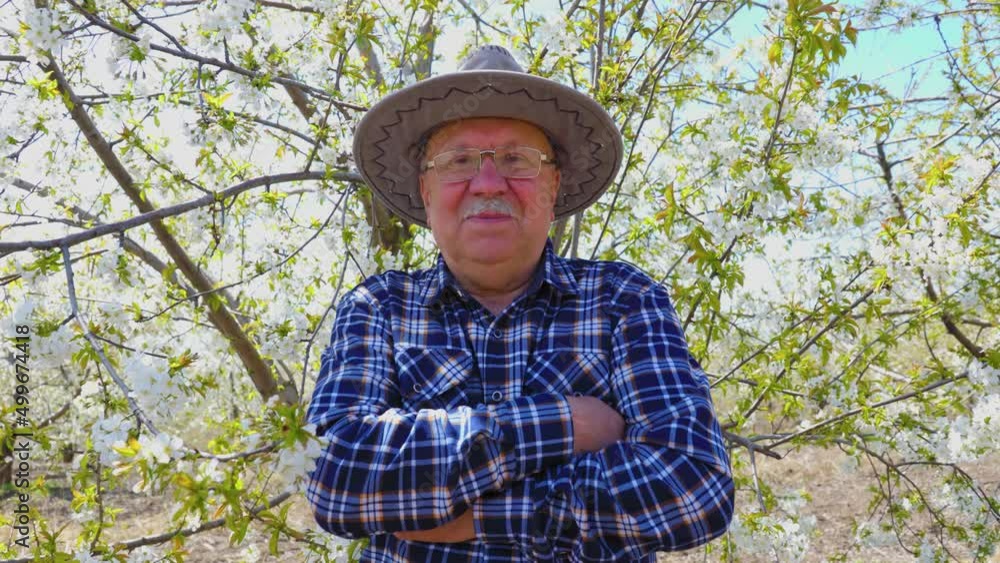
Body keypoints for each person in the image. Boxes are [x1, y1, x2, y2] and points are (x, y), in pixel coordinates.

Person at [306, 45, 734, 562]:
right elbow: (333, 475)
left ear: (553, 185)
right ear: (425, 188)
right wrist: (564, 424)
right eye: (459, 161)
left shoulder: (624, 299)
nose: (488, 183)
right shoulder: (378, 308)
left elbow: (695, 487)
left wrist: (479, 518)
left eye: (517, 160)